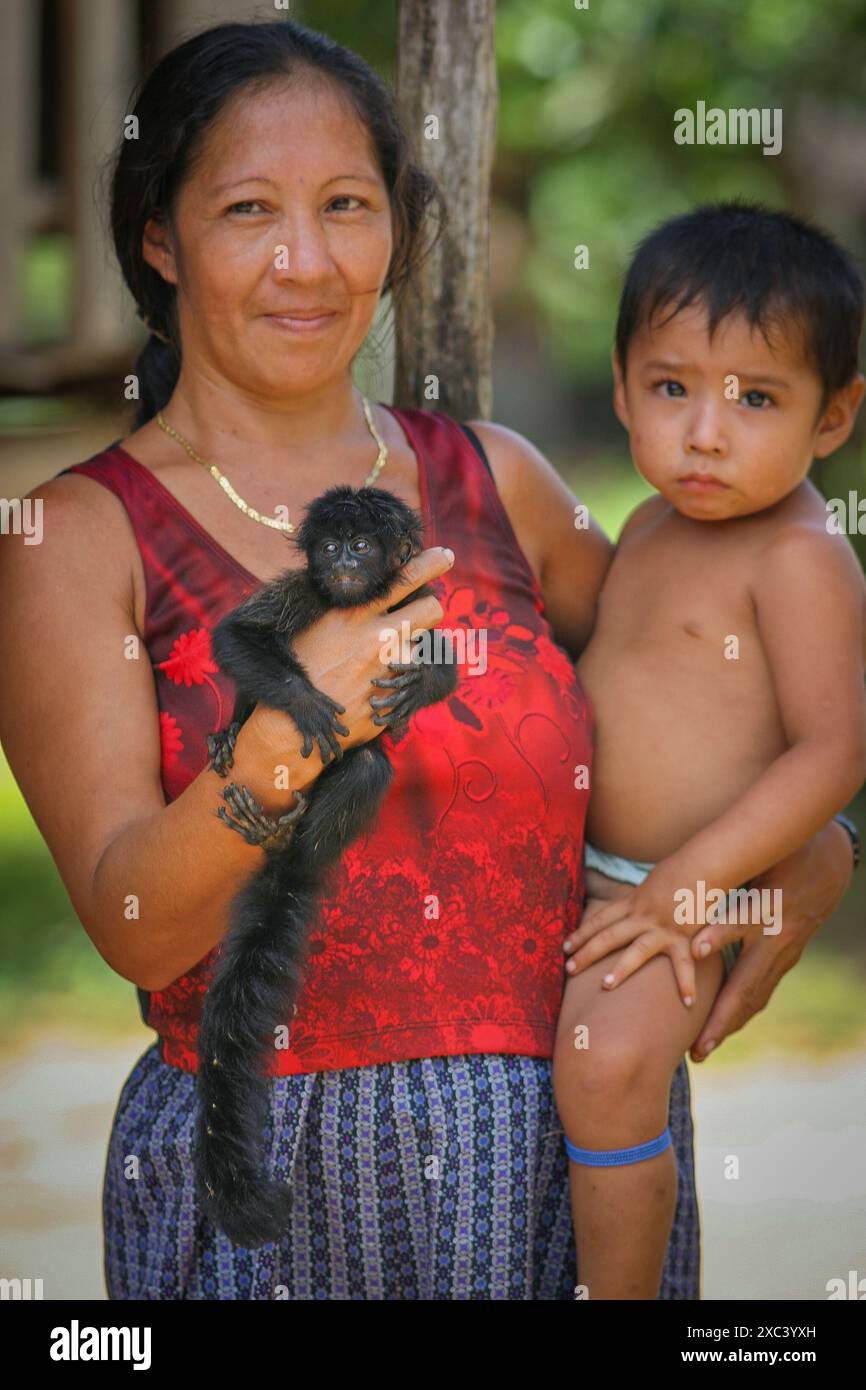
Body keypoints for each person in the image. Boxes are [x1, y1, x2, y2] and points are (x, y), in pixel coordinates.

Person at [0, 21, 855, 1301]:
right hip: (272, 1193)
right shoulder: (74, 538)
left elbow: (708, 690)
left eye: (347, 205)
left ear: (395, 230)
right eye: (247, 209)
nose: (307, 260)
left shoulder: (498, 481)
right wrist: (296, 733)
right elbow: (133, 924)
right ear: (160, 240)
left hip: (559, 1177)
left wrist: (811, 851)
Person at [553, 202, 866, 1299]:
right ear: (621, 385)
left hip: (697, 887)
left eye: (755, 399)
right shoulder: (643, 526)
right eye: (671, 387)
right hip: (596, 879)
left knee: (608, 1064)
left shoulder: (797, 558)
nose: (703, 432)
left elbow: (834, 751)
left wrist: (689, 890)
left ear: (831, 419)